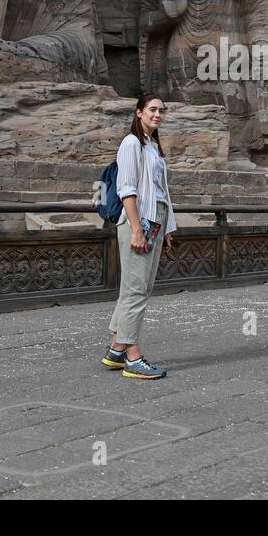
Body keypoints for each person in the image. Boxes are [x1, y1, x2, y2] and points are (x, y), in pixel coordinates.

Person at [101, 94, 177, 379]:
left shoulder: (153, 146)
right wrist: (136, 229)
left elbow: (162, 192)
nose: (157, 114)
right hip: (138, 221)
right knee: (136, 290)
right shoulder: (131, 143)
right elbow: (127, 189)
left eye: (161, 110)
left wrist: (167, 227)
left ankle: (116, 350)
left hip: (155, 220)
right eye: (152, 110)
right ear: (139, 113)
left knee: (139, 287)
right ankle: (133, 358)